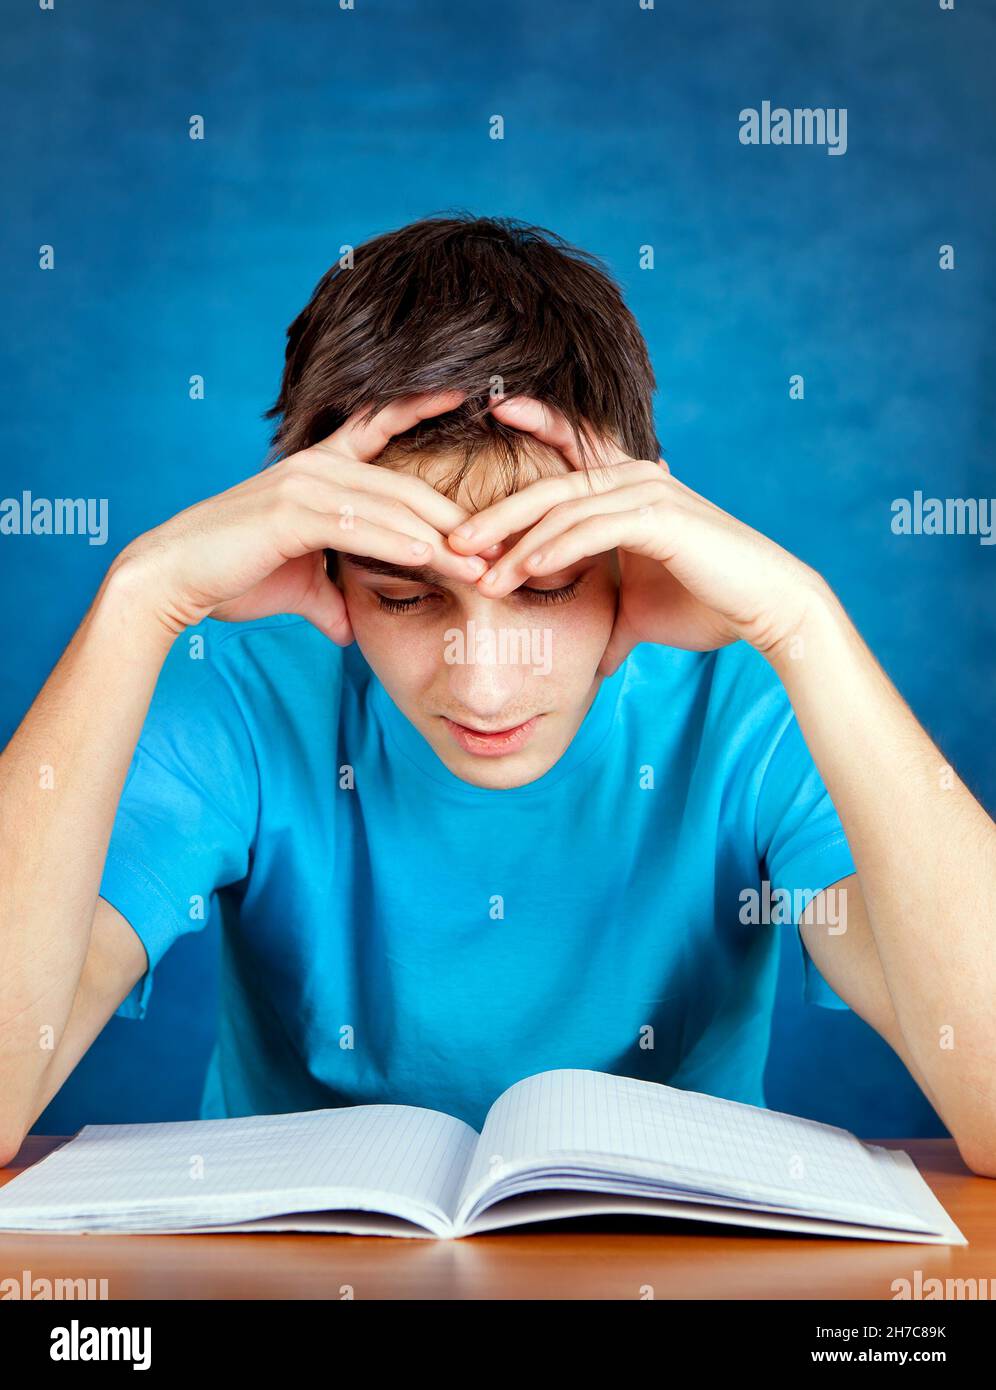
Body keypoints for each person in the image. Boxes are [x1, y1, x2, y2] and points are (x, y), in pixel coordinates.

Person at [1, 216, 993, 1170]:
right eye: (403, 593)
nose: (483, 681)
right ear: (324, 564)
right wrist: (141, 598)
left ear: (628, 547)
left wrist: (804, 623)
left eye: (548, 583)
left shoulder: (749, 699)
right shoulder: (247, 687)